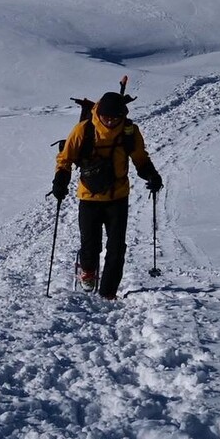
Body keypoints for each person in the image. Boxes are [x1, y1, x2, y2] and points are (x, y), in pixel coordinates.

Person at [51, 91, 163, 300]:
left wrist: (152, 175)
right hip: (89, 197)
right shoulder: (84, 130)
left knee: (116, 247)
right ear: (99, 113)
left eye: (115, 118)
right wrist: (60, 182)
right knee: (90, 245)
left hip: (118, 197)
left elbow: (140, 158)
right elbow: (65, 158)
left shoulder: (129, 132)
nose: (110, 121)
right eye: (106, 117)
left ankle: (108, 293)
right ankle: (88, 271)